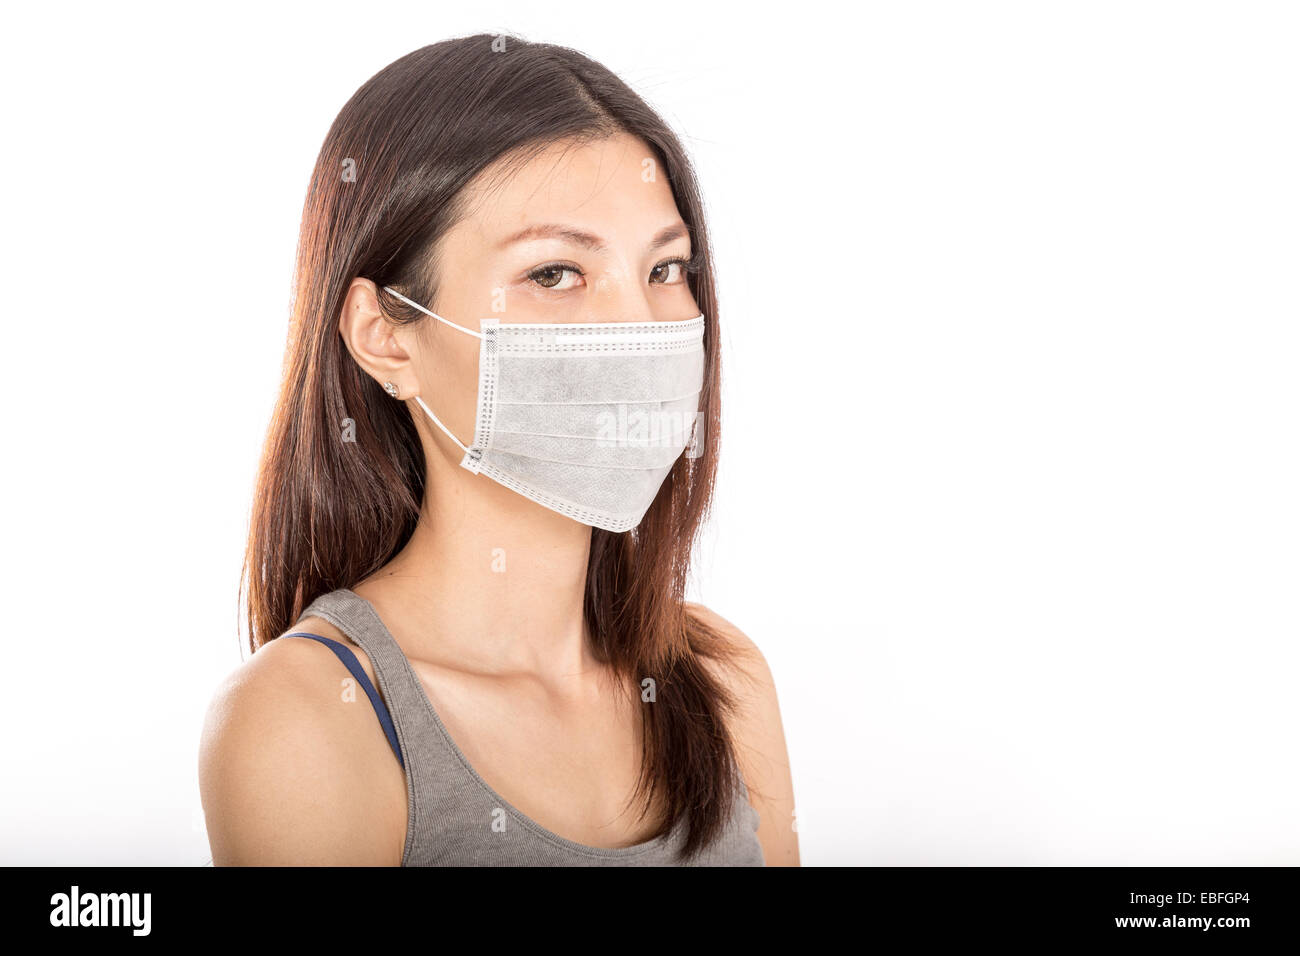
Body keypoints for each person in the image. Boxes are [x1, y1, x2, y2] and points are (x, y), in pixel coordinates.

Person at [199, 34, 797, 866]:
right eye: (555, 274)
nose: (639, 330)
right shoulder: (311, 719)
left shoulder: (723, 680)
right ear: (386, 339)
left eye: (666, 269)